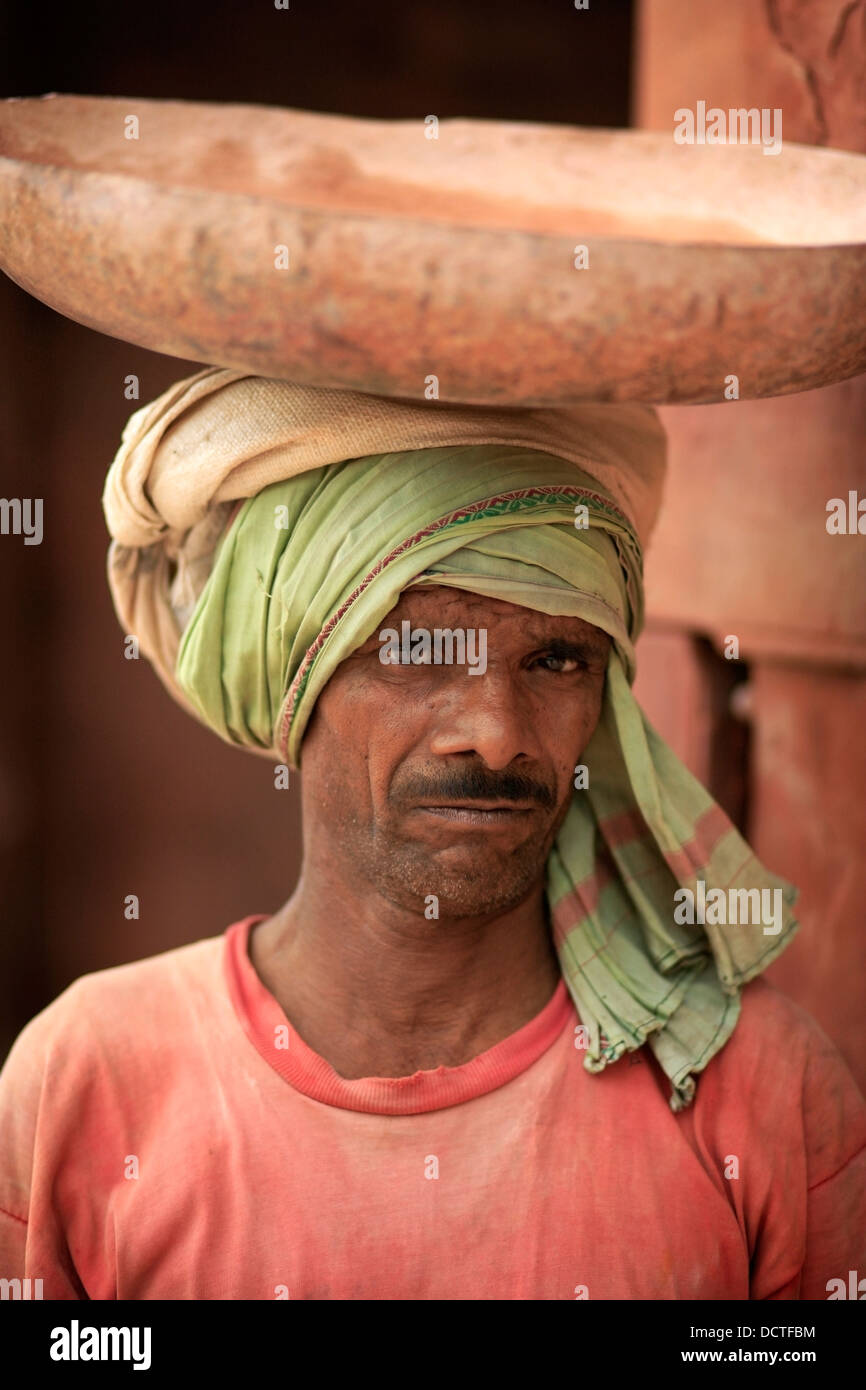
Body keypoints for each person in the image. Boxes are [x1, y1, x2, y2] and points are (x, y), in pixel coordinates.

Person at [0, 369, 863, 1301]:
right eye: (418, 651)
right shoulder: (85, 1082)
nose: (496, 731)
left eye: (556, 658)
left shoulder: (763, 1093)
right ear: (291, 686)